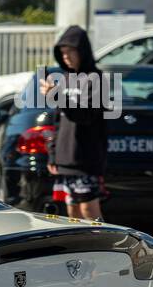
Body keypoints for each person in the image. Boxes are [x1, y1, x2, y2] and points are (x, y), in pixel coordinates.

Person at [39, 25, 110, 222]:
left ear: (82, 51)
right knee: (73, 214)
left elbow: (85, 115)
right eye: (62, 53)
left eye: (70, 51)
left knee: (89, 210)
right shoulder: (66, 79)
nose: (66, 57)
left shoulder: (96, 79)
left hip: (86, 159)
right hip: (65, 159)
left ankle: (104, 248)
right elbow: (58, 120)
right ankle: (84, 250)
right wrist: (53, 154)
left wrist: (57, 95)